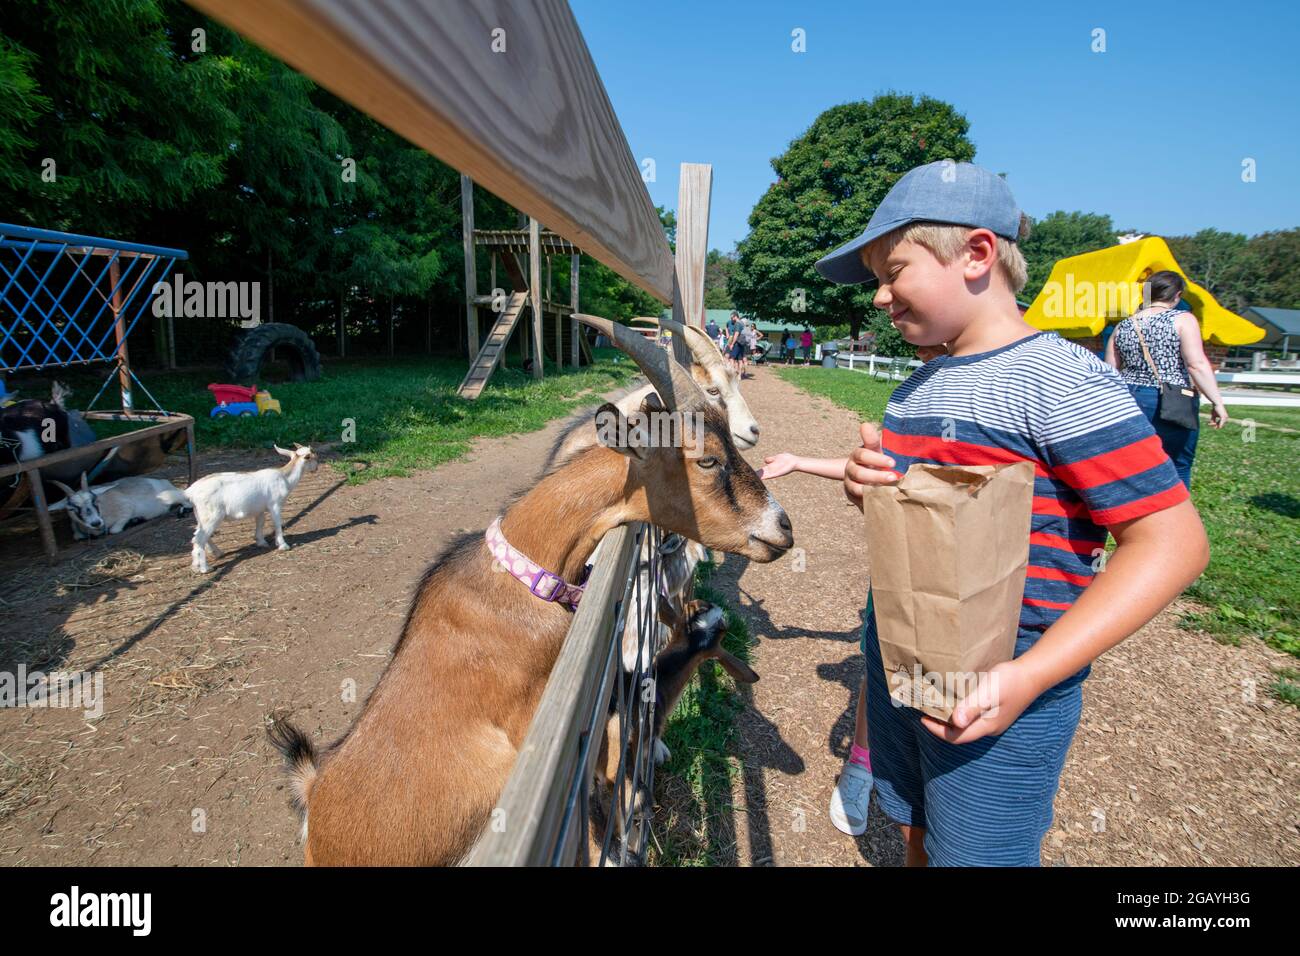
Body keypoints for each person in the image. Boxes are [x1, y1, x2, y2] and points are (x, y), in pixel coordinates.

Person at [812, 160, 1209, 866]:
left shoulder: (1062, 381)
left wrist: (1027, 678)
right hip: (905, 652)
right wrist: (864, 479)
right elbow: (921, 511)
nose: (879, 297)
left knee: (979, 852)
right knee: (916, 822)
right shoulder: (916, 388)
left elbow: (1171, 543)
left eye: (893, 270)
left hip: (1008, 675)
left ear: (976, 255)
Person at [757, 340, 949, 837]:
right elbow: (878, 471)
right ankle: (862, 765)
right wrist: (799, 461)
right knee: (883, 663)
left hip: (965, 582)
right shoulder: (918, 399)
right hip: (901, 572)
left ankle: (933, 780)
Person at [1104, 271, 1228, 488]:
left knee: (1133, 462)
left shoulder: (1123, 326)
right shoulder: (1183, 320)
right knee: (1177, 463)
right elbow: (1196, 364)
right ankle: (1177, 515)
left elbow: (1110, 370)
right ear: (1177, 295)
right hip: (1171, 398)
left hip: (1127, 397)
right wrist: (1217, 402)